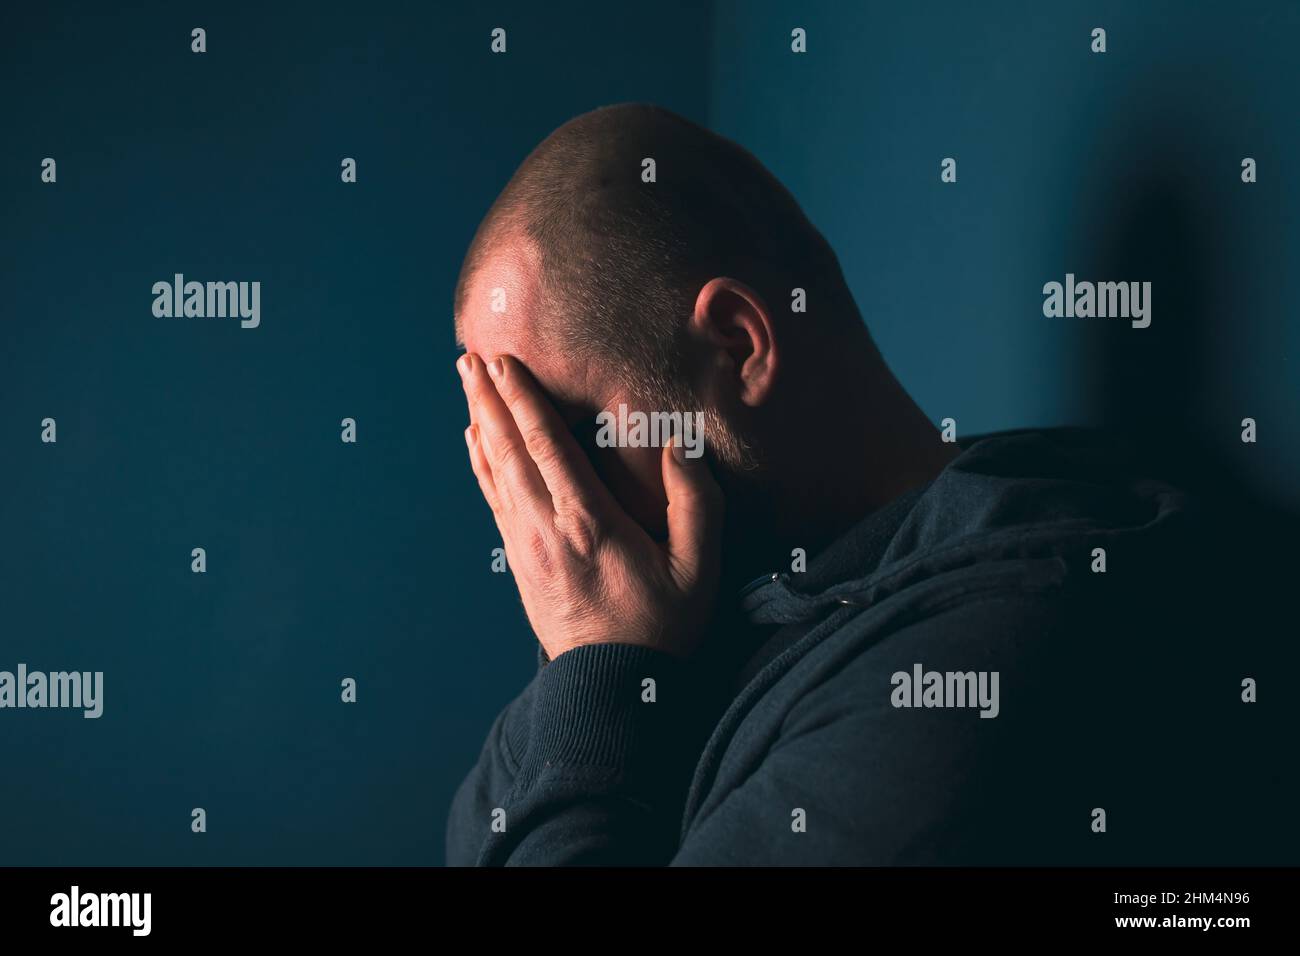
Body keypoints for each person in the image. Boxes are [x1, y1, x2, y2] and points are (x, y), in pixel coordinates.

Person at [444, 103, 1215, 866]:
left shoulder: (975, 662)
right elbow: (478, 819)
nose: (544, 513)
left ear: (738, 346)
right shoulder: (682, 611)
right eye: (506, 443)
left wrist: (598, 672)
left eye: (557, 436)